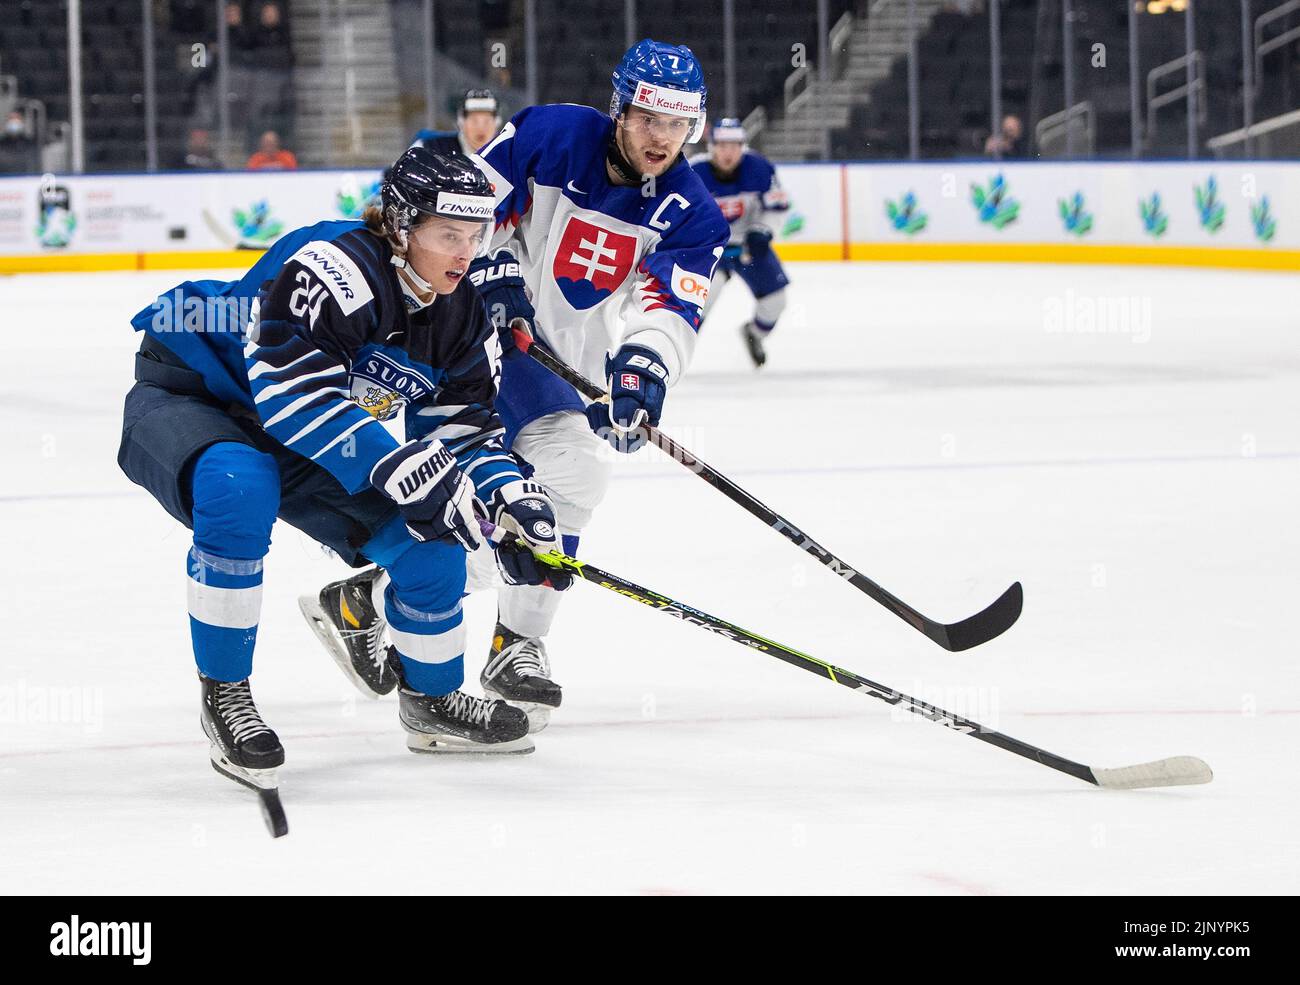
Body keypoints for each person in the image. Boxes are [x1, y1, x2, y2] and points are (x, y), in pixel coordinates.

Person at [117, 149, 570, 806]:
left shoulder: (462, 316)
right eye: (449, 233)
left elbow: (467, 432)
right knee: (240, 488)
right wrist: (401, 466)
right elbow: (289, 395)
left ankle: (433, 699)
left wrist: (513, 499)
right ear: (401, 222)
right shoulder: (334, 264)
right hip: (199, 392)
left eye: (475, 235)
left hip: (310, 429)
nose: (465, 251)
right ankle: (226, 694)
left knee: (435, 550)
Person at [304, 39, 730, 733]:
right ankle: (498, 635)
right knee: (523, 492)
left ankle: (376, 603)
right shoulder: (551, 135)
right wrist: (489, 269)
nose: (663, 139)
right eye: (650, 119)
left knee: (562, 490)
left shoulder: (693, 212)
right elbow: (459, 214)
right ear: (621, 108)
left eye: (679, 124)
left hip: (561, 363)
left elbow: (670, 310)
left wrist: (643, 368)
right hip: (465, 342)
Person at [689, 118, 791, 368]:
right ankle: (672, 355)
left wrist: (762, 231)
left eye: (734, 146)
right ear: (711, 146)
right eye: (722, 146)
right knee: (695, 305)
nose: (728, 152)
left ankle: (754, 334)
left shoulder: (759, 168)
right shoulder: (693, 172)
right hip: (709, 249)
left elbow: (777, 207)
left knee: (776, 301)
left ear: (743, 146)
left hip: (749, 246)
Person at [410, 88, 502, 157]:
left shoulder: (507, 154)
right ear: (461, 122)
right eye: (474, 121)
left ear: (496, 123)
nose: (480, 128)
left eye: (487, 121)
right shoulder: (430, 149)